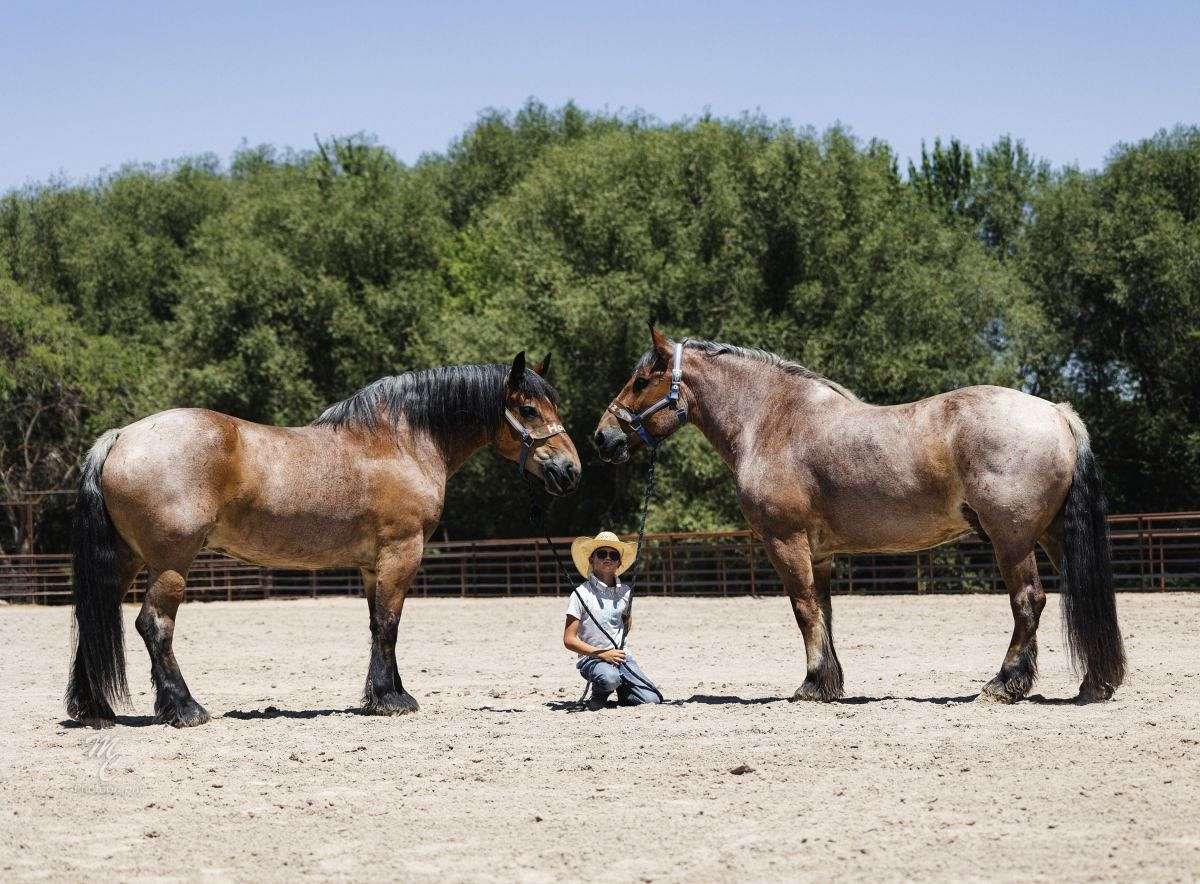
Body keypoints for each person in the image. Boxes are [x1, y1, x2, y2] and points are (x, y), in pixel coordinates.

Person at [563, 530, 662, 710]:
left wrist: (616, 652)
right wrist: (602, 653)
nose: (607, 558)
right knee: (609, 678)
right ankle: (599, 693)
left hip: (622, 657)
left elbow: (626, 625)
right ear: (591, 559)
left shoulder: (626, 592)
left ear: (619, 562)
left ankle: (623, 690)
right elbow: (569, 640)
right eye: (602, 554)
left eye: (613, 555)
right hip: (593, 659)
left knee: (652, 699)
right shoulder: (580, 593)